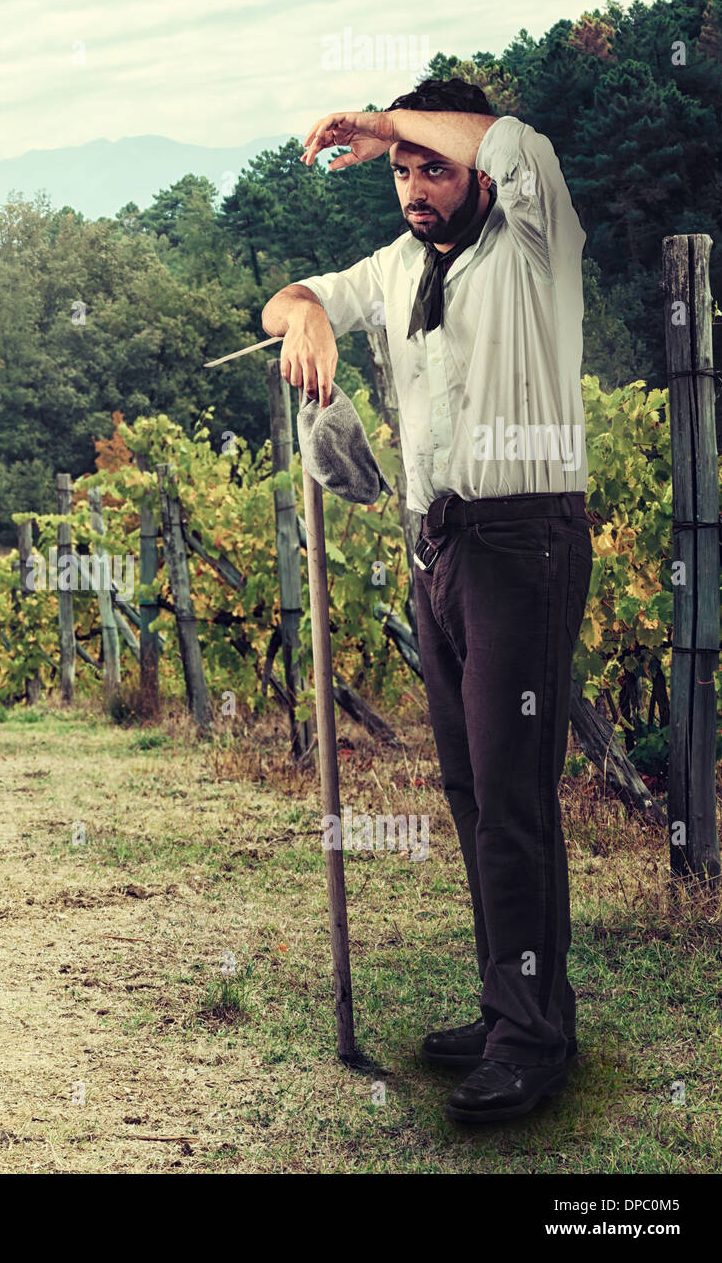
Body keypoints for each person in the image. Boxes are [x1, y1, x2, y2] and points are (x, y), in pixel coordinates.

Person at [261, 78, 594, 1123]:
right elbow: (284, 299)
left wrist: (379, 120)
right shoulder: (399, 266)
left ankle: (533, 1040)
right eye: (399, 170)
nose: (410, 184)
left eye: (428, 165)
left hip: (523, 540)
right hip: (438, 547)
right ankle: (513, 1007)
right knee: (466, 793)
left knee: (510, 796)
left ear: (475, 169)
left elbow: (511, 136)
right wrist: (306, 316)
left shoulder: (534, 232)